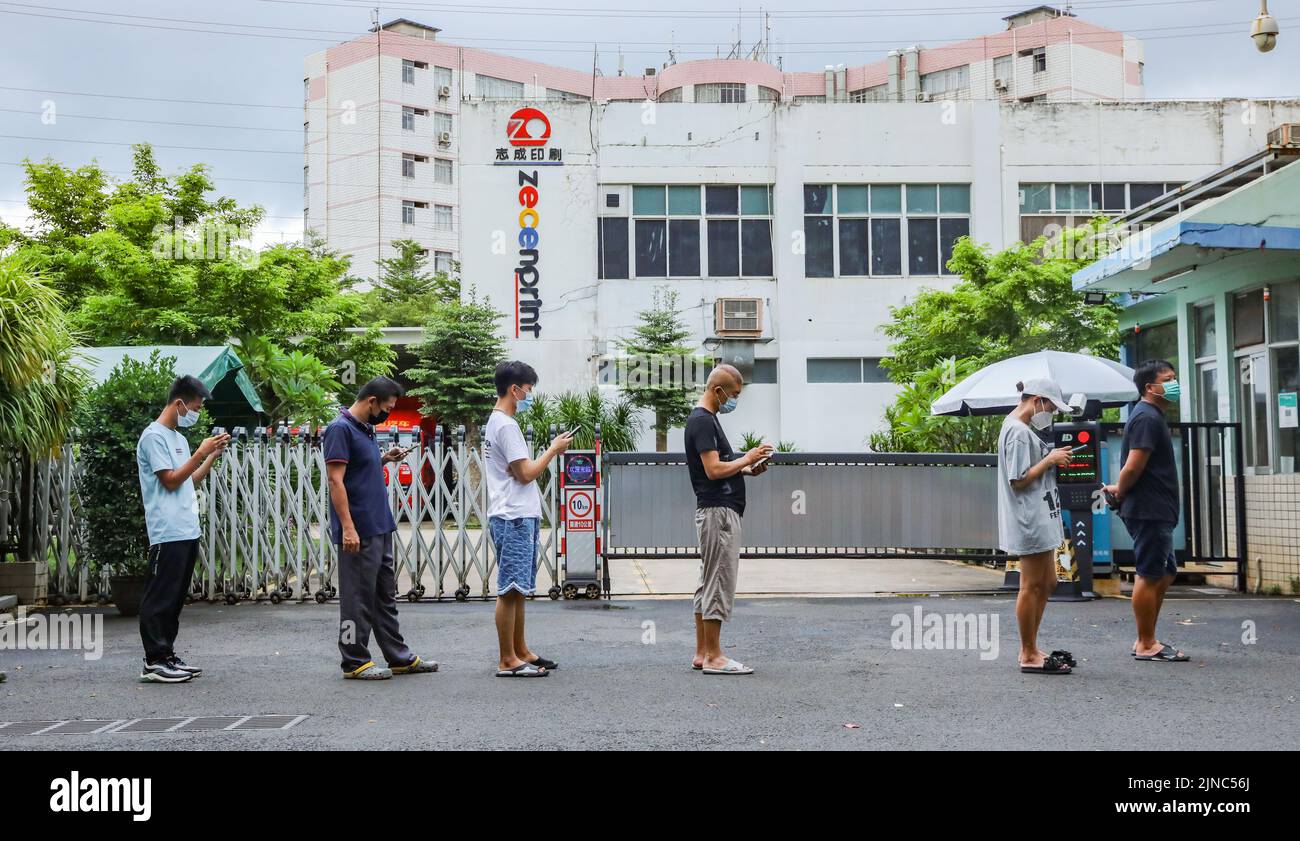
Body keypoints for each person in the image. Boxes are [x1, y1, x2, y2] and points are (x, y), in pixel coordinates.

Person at [324, 376, 438, 680]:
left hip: (379, 525)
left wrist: (384, 458)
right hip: (358, 529)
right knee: (356, 598)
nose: (388, 412)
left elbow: (358, 469)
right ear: (371, 401)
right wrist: (347, 527)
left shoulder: (365, 429)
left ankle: (398, 657)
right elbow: (335, 480)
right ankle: (354, 660)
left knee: (383, 596)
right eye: (386, 407)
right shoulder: (340, 429)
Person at [135, 375, 229, 683]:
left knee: (174, 598)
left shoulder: (178, 438)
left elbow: (190, 479)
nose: (197, 413)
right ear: (179, 404)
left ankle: (167, 654)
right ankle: (154, 660)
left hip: (187, 529)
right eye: (196, 407)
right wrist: (200, 453)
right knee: (160, 597)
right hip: (167, 530)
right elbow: (170, 480)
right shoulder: (153, 437)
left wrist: (210, 457)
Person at [483, 361, 572, 677]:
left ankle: (520, 650)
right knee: (510, 588)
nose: (530, 396)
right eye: (529, 390)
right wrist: (553, 449)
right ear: (514, 389)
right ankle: (508, 659)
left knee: (517, 588)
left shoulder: (496, 422)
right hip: (514, 516)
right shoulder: (506, 426)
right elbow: (525, 473)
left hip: (513, 513)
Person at [684, 364, 773, 676]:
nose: (734, 400)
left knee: (708, 579)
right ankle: (715, 656)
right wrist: (746, 458)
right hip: (718, 511)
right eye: (733, 395)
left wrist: (748, 468)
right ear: (717, 391)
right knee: (719, 580)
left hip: (716, 509)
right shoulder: (702, 421)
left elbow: (722, 464)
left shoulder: (705, 420)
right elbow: (713, 470)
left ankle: (702, 652)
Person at [1104, 360, 1189, 662]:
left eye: (1174, 378)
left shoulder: (1151, 416)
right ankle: (1145, 643)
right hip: (1148, 509)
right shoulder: (1146, 419)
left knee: (1164, 573)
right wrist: (1121, 489)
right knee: (1150, 573)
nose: (1174, 383)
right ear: (1150, 387)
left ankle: (1147, 636)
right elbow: (1133, 465)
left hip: (1157, 508)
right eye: (1168, 379)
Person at [996, 379, 1076, 675]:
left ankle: (1030, 646)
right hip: (1029, 516)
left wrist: (1050, 460)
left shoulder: (1020, 428)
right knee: (1031, 585)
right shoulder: (1017, 431)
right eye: (1051, 406)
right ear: (1038, 400)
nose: (1052, 412)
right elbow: (1018, 479)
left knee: (1049, 582)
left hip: (1041, 513)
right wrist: (1050, 459)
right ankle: (1028, 652)